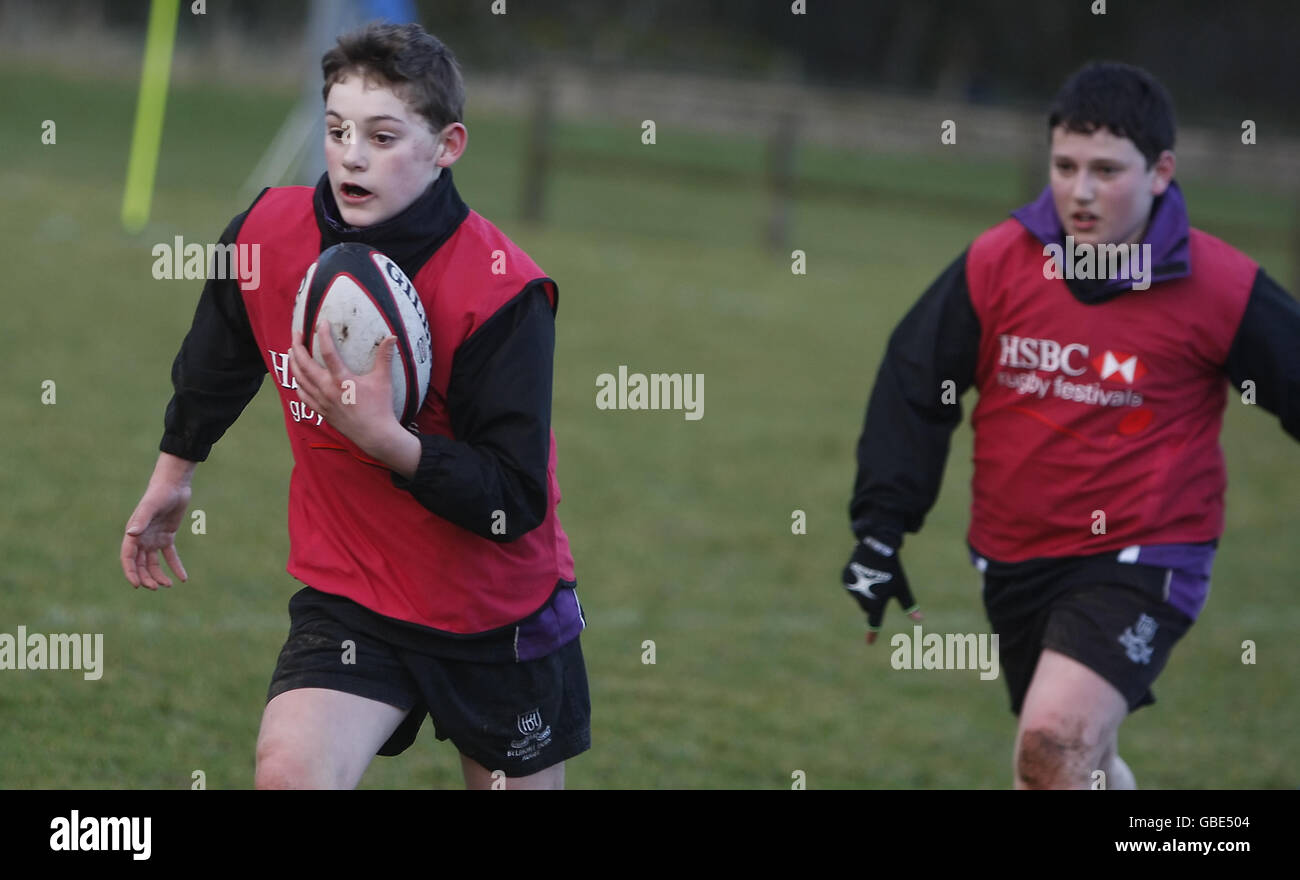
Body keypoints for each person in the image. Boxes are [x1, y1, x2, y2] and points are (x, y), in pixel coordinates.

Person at [120, 22, 589, 790]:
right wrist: (175, 469)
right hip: (354, 593)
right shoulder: (268, 233)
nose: (351, 154)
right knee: (289, 771)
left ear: (448, 145)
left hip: (495, 615)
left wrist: (386, 440)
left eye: (382, 134)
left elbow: (515, 495)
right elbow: (220, 350)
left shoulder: (503, 292)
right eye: (337, 129)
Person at [842, 61, 1300, 789]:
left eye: (1107, 170)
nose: (1081, 192)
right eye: (1065, 165)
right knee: (1084, 766)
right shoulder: (999, 261)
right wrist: (880, 527)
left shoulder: (1218, 284)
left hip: (1145, 556)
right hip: (1013, 559)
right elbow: (916, 383)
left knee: (1050, 749)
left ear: (1161, 172)